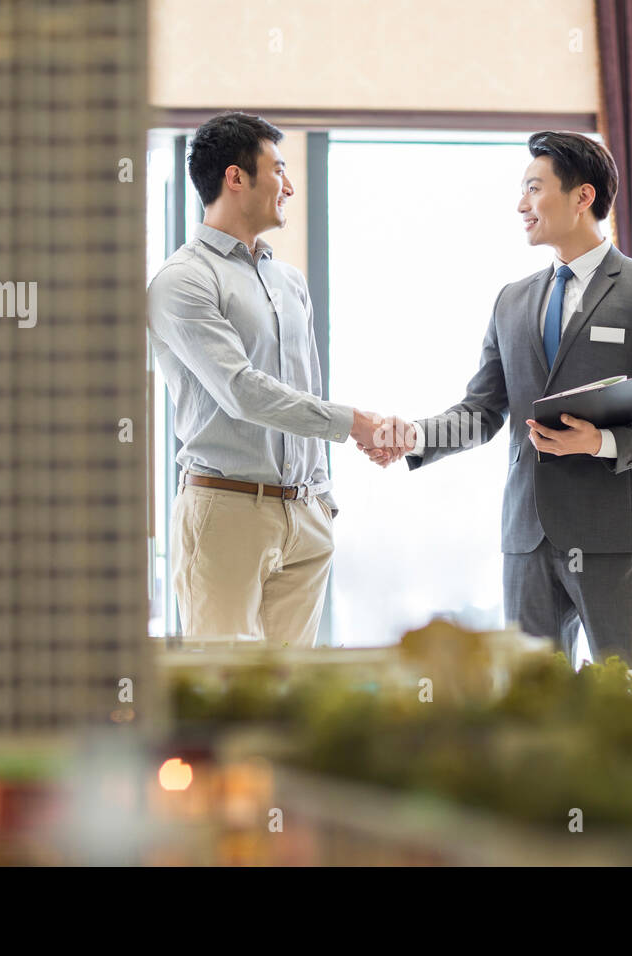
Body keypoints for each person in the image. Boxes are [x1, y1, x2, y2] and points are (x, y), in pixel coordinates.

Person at [365, 131, 632, 665]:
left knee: (629, 694)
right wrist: (416, 435)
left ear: (582, 197)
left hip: (609, 542)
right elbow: (482, 412)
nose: (521, 205)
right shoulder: (512, 300)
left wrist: (601, 441)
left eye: (533, 188)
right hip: (525, 540)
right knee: (529, 703)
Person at [148, 111, 408, 646]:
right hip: (226, 513)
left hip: (305, 515)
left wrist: (323, 501)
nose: (289, 186)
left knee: (293, 698)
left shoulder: (289, 282)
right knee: (223, 693)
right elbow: (242, 392)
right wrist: (354, 423)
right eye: (279, 170)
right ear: (235, 178)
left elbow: (303, 391)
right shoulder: (181, 282)